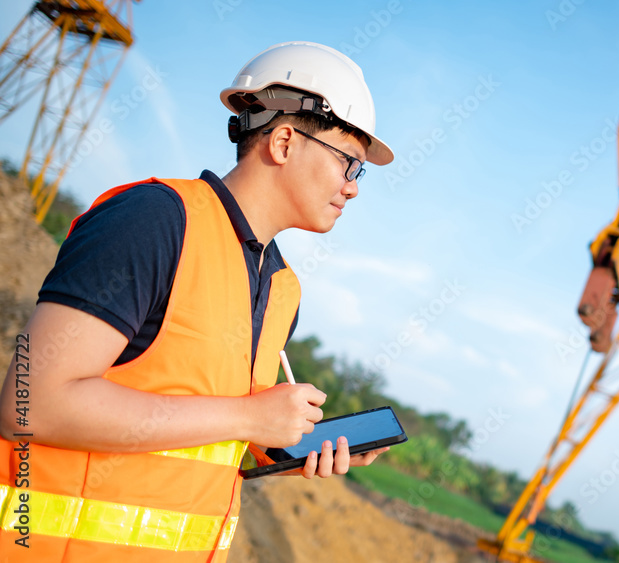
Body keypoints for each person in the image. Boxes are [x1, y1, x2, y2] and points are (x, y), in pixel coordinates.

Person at [0, 41, 394, 561]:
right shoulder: (155, 221)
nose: (353, 188)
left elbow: (212, 421)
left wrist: (285, 444)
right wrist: (248, 419)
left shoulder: (281, 288)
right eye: (349, 163)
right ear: (282, 142)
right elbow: (32, 405)